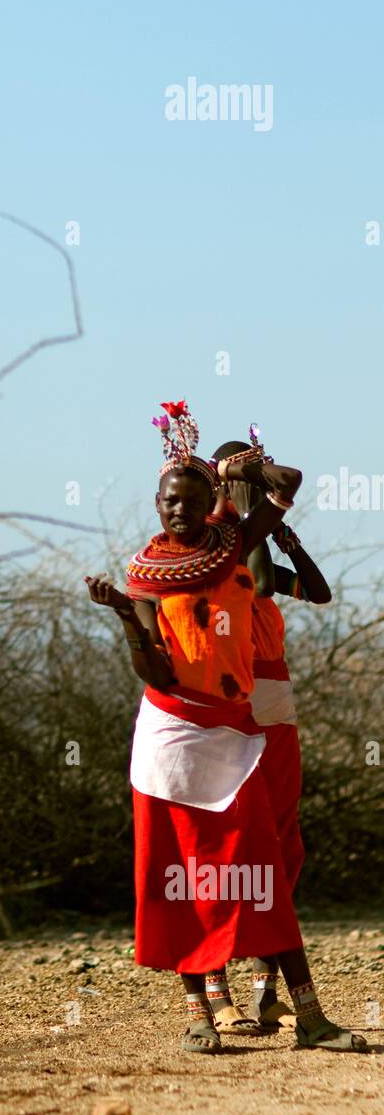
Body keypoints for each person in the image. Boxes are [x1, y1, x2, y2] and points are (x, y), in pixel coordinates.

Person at [85, 400, 366, 1055]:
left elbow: (289, 487)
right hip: (170, 739)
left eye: (188, 499)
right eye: (166, 501)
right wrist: (127, 618)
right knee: (179, 875)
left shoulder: (236, 548)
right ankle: (199, 1012)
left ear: (206, 496)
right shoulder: (145, 575)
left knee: (261, 868)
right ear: (155, 505)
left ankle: (308, 1015)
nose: (176, 510)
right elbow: (154, 675)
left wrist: (248, 466)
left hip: (237, 732)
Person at [206, 434, 332, 1033]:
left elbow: (320, 590)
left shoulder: (258, 557)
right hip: (231, 699)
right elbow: (254, 582)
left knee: (281, 842)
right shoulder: (213, 551)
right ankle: (215, 985)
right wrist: (248, 498)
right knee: (229, 841)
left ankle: (265, 988)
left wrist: (286, 535)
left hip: (274, 702)